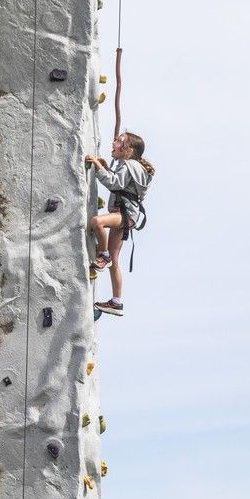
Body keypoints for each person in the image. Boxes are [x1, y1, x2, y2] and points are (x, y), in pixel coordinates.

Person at [84, 47, 155, 317]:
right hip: (129, 214)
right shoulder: (137, 167)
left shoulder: (128, 165)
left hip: (124, 213)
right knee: (116, 261)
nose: (115, 144)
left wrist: (97, 166)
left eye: (119, 143)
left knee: (97, 222)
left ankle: (100, 254)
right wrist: (106, 162)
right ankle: (116, 301)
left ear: (128, 150)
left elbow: (114, 183)